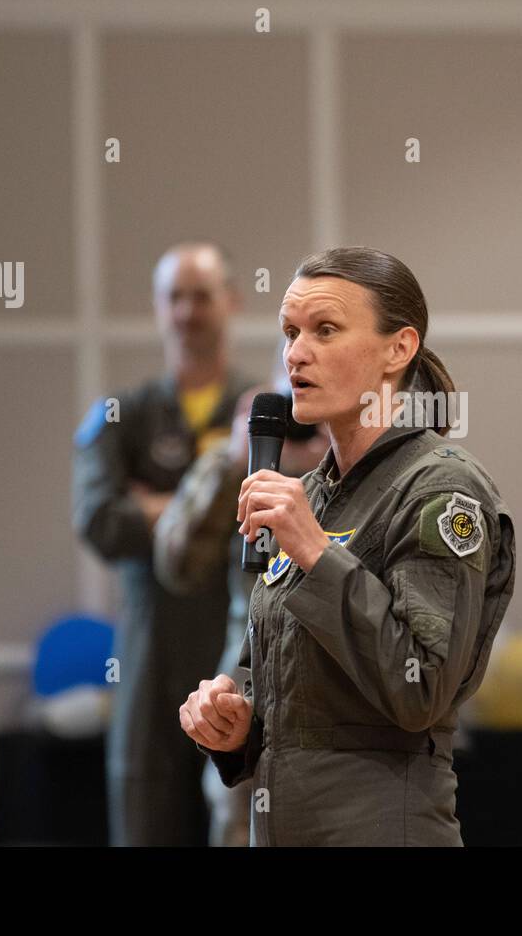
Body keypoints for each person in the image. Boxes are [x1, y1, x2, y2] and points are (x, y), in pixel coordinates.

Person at [178, 246, 517, 846]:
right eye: (290, 332)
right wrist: (236, 722)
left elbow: (420, 689)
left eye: (325, 330)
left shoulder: (441, 486)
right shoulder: (308, 495)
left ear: (399, 348)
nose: (295, 353)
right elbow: (295, 697)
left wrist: (315, 551)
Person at [72, 241, 257, 846]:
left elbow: (288, 515)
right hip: (149, 663)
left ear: (230, 302)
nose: (187, 311)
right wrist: (206, 505)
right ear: (157, 307)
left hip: (242, 653)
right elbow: (100, 520)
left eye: (201, 295)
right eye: (174, 297)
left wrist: (156, 503)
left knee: (238, 824)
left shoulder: (265, 413)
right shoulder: (121, 414)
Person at [154, 359, 330, 846]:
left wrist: (320, 469)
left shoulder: (350, 461)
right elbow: (175, 564)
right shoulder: (248, 453)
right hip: (247, 684)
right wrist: (235, 465)